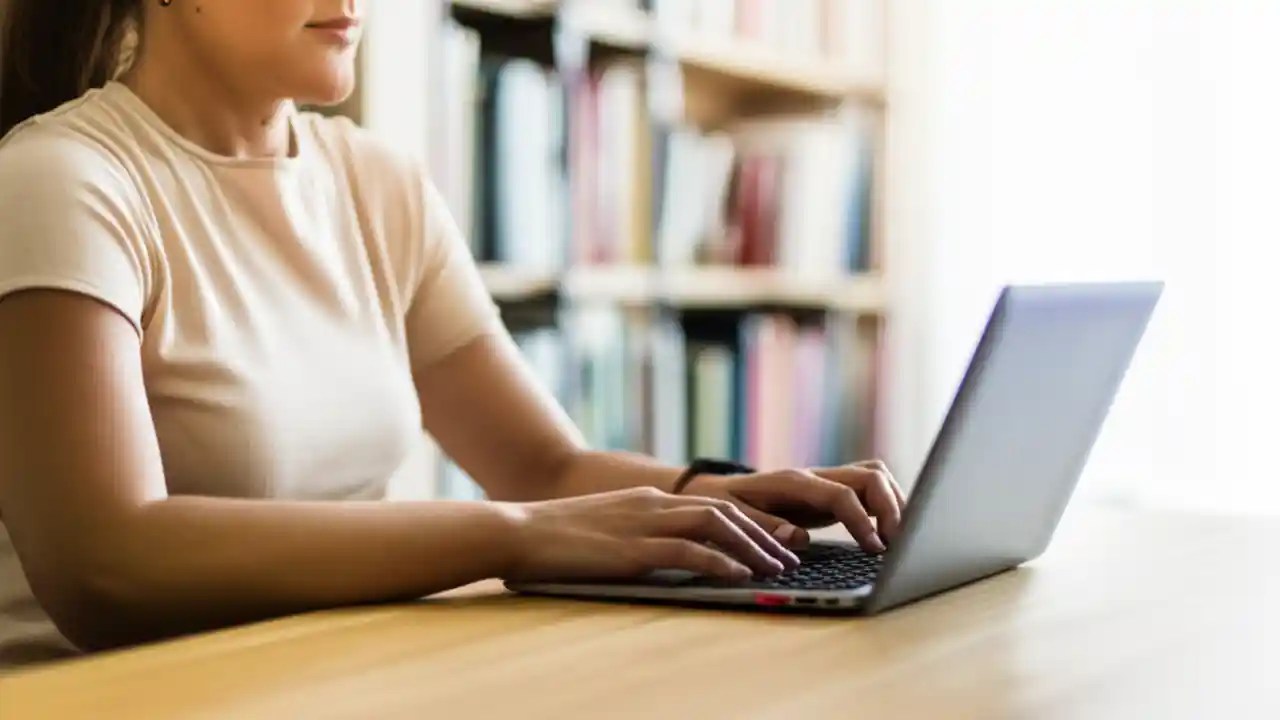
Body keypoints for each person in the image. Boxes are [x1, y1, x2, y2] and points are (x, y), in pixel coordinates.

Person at [0, 0, 905, 669]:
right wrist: (510, 536)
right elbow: (103, 564)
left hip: (319, 675)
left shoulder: (374, 182)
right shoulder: (62, 181)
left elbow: (545, 468)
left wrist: (728, 499)